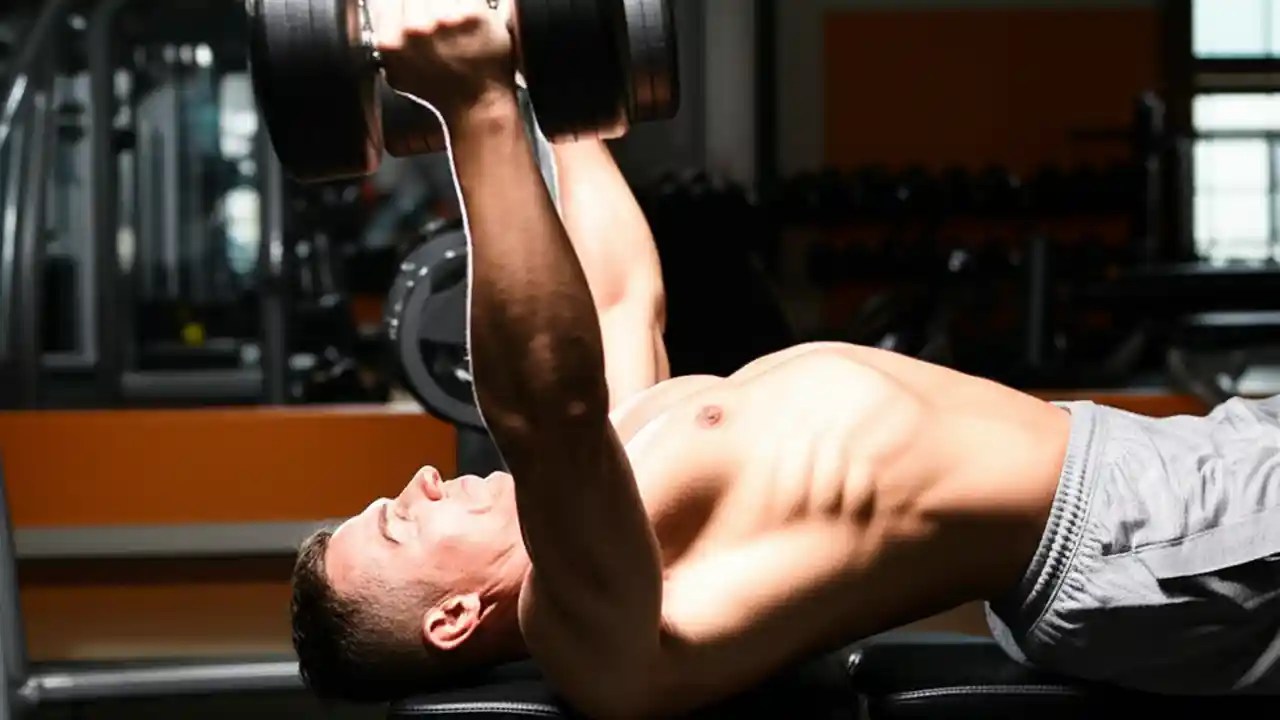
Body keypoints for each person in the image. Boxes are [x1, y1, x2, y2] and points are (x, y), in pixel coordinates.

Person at [291, 1, 1280, 714]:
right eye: (392, 526)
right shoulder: (583, 623)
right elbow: (547, 413)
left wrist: (534, 76)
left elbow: (619, 296)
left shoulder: (627, 477)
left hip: (1154, 494)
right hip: (1134, 541)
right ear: (455, 617)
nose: (418, 480)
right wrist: (475, 110)